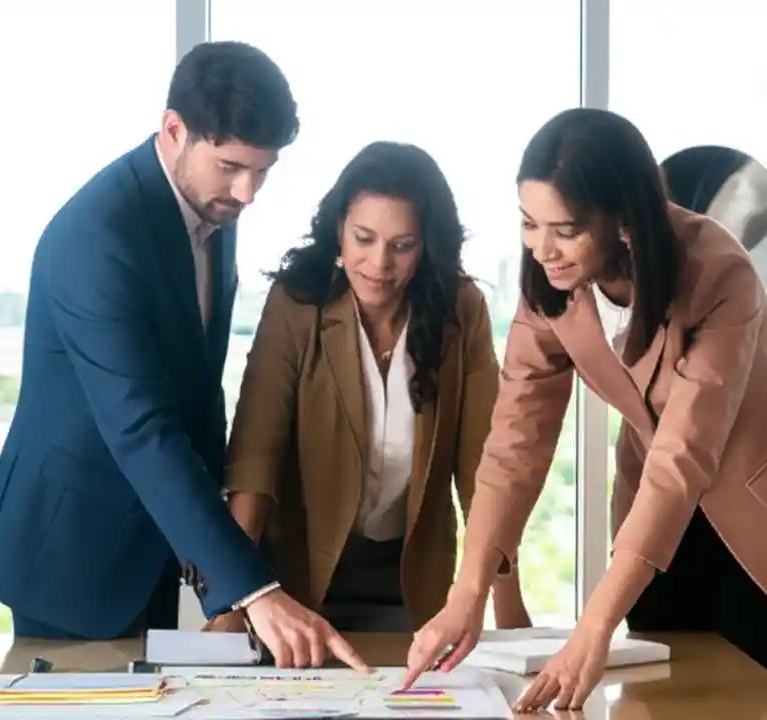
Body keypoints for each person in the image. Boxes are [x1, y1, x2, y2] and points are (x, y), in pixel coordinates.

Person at [403, 108, 767, 710]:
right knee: (660, 707)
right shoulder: (550, 284)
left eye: (564, 229)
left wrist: (593, 628)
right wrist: (468, 593)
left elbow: (683, 453)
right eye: (528, 223)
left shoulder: (718, 270)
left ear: (621, 222)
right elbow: (515, 443)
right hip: (659, 525)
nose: (542, 249)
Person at [0, 40, 367, 671]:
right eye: (232, 166)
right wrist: (253, 587)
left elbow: (196, 393)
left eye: (263, 171)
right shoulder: (99, 235)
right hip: (71, 551)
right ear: (173, 130)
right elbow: (141, 425)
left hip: (152, 537)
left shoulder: (212, 212)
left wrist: (221, 570)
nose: (248, 192)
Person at [205, 141, 532, 635]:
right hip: (297, 575)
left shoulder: (460, 311)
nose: (380, 264)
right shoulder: (297, 303)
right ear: (338, 230)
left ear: (426, 247)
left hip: (409, 577)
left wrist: (507, 604)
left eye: (402, 246)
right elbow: (256, 456)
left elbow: (484, 470)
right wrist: (233, 601)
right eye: (364, 239)